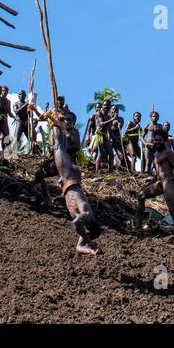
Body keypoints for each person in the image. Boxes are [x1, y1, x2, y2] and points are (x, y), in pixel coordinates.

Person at [32, 106, 99, 257]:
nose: (67, 122)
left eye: (69, 120)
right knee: (53, 154)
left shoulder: (73, 132)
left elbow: (75, 146)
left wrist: (89, 247)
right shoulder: (87, 213)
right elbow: (78, 224)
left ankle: (54, 120)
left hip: (67, 169)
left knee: (59, 147)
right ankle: (46, 197)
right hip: (68, 173)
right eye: (65, 119)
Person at [136, 113, 174, 242]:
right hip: (159, 182)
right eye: (155, 140)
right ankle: (138, 226)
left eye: (160, 140)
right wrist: (151, 180)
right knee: (140, 195)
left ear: (164, 141)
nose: (157, 141)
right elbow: (158, 173)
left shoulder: (168, 153)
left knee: (172, 210)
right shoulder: (156, 155)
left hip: (169, 182)